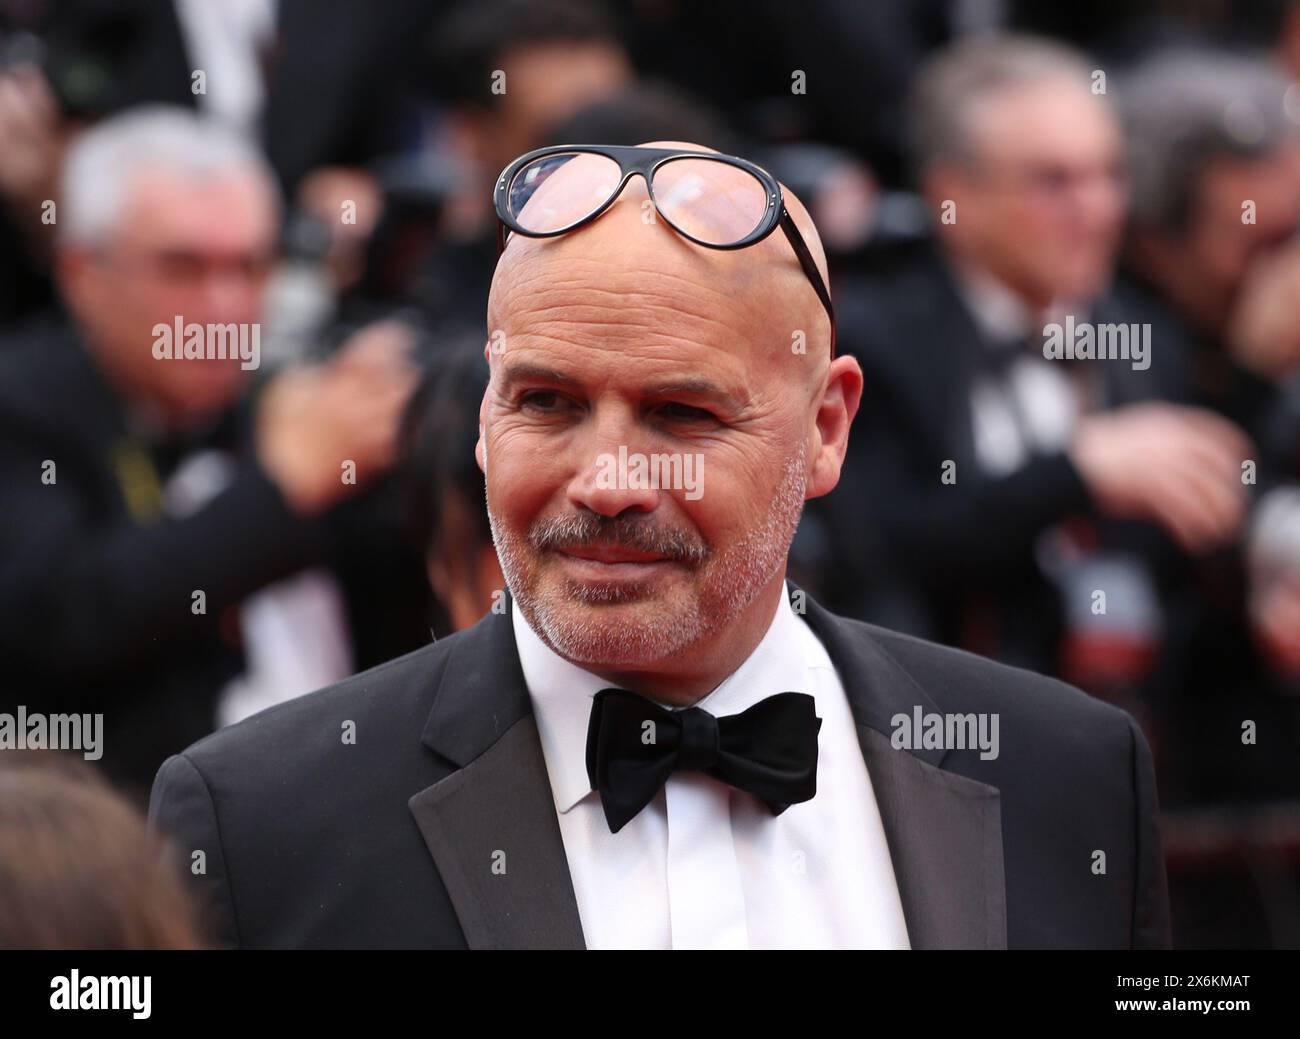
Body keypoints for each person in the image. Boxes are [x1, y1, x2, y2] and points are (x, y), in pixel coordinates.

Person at [151, 140, 1169, 949]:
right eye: (546, 403)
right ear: (485, 418)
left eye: (681, 414)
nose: (608, 481)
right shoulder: (260, 820)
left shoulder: (1068, 776)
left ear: (825, 428)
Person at [809, 35, 1250, 691]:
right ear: (953, 196)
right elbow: (875, 554)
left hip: (1127, 721)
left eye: (1110, 175)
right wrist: (1074, 474)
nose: (1097, 210)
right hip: (934, 712)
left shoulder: (1146, 332)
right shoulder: (873, 339)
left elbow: (1200, 569)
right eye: (1054, 182)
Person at [0, 107, 417, 801]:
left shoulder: (283, 400)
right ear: (82, 274)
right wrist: (279, 487)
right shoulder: (21, 406)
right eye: (183, 267)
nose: (225, 306)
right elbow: (61, 619)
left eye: (250, 266)